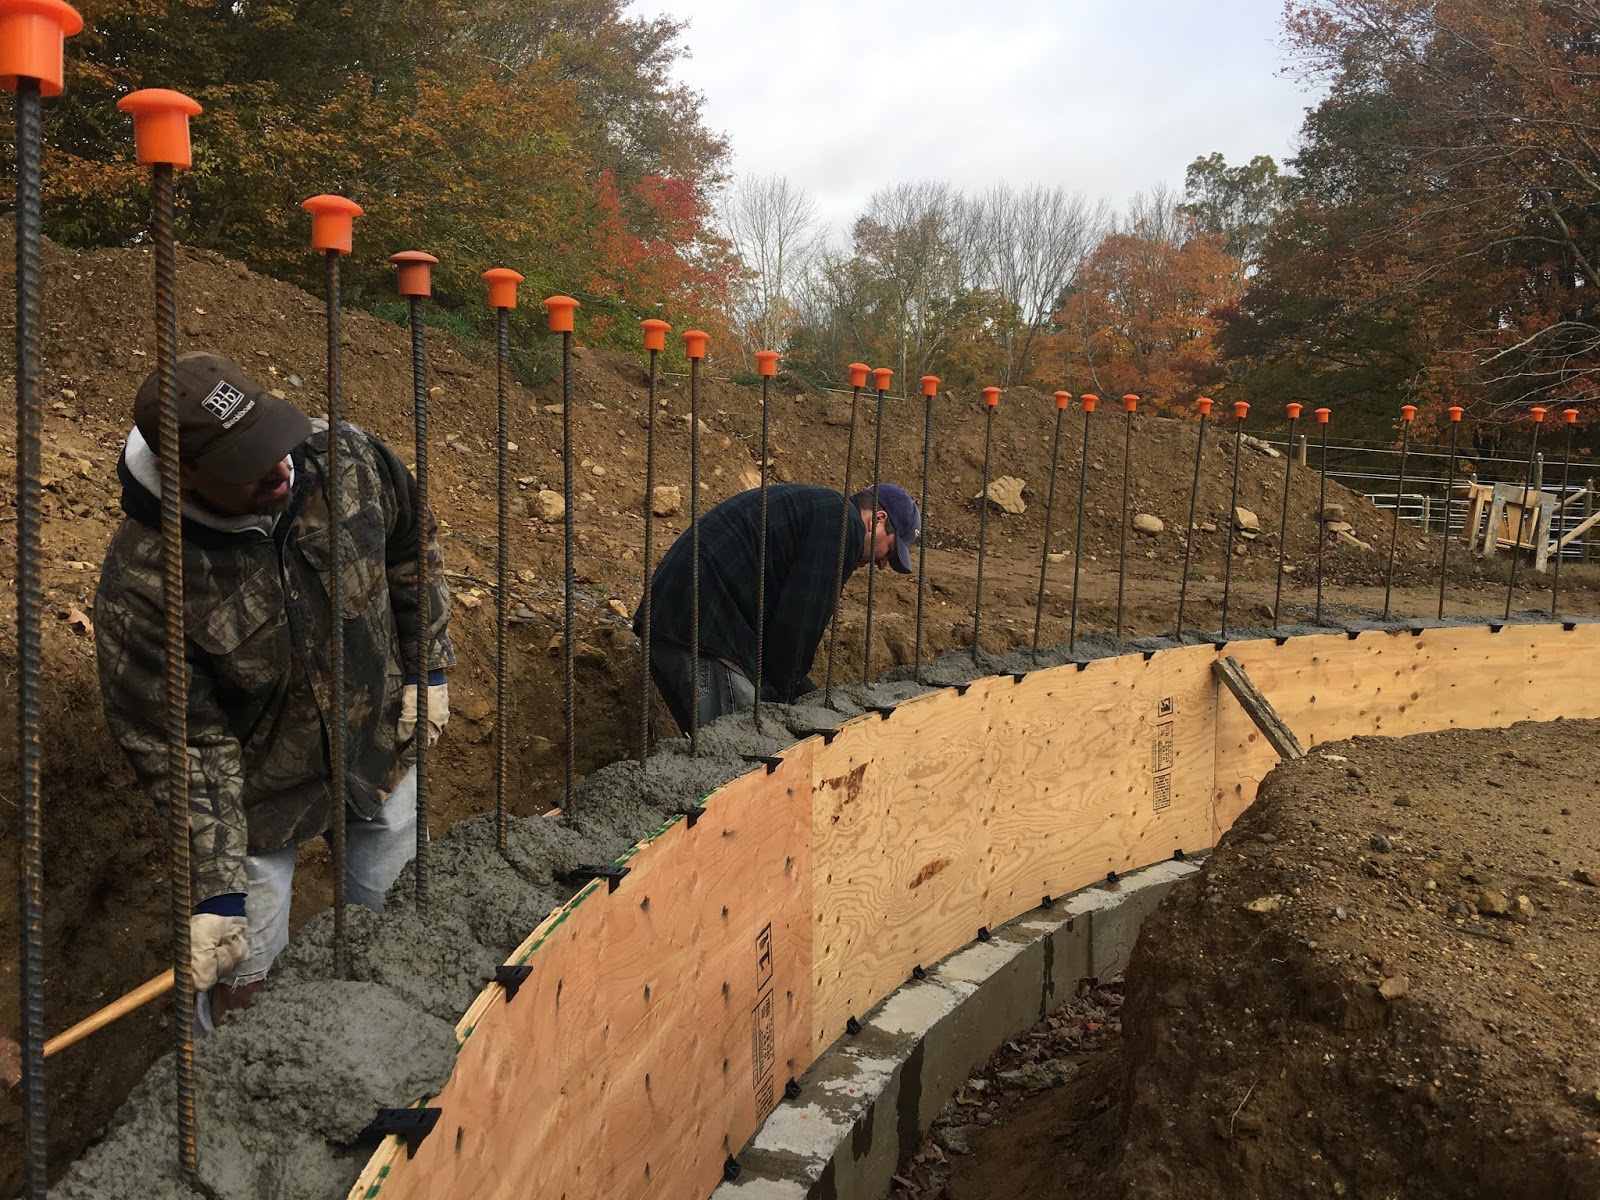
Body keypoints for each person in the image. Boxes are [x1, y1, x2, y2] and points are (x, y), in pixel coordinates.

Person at [94, 352, 453, 1027]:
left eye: (274, 439)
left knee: (401, 931)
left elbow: (412, 544)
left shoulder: (344, 460)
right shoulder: (146, 581)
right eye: (245, 463)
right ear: (185, 475)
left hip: (376, 745)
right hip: (256, 802)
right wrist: (219, 892)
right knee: (243, 994)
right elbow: (185, 744)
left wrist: (428, 666)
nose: (278, 466)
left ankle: (392, 1041)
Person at [637, 481, 921, 734]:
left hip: (671, 619)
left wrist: (804, 692)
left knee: (713, 754)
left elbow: (778, 630)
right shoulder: (842, 525)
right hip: (705, 630)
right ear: (877, 520)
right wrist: (782, 704)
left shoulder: (819, 510)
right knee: (749, 753)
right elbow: (798, 624)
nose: (883, 565)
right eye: (891, 551)